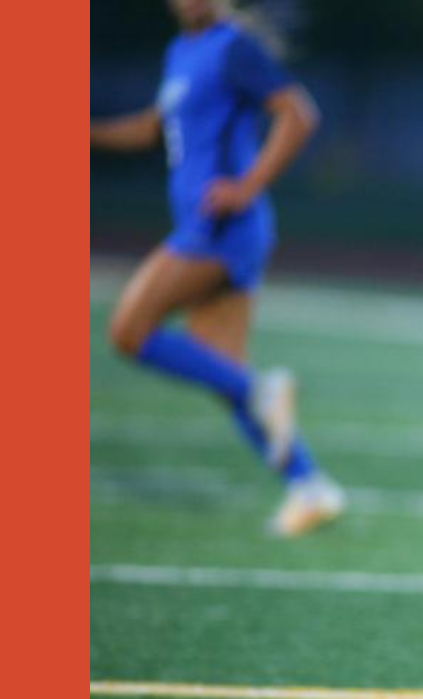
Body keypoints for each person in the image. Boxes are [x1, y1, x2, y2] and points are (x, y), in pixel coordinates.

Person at [91, 0, 343, 537]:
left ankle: (263, 388)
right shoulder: (181, 51)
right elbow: (150, 130)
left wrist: (247, 187)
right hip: (215, 230)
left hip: (219, 231)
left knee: (128, 331)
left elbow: (299, 115)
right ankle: (310, 485)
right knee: (223, 377)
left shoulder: (234, 47)